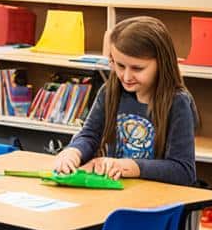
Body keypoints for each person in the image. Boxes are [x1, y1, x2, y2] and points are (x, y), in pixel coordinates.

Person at [54, 16, 198, 185]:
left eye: (137, 68)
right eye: (120, 66)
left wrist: (129, 166)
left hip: (157, 199)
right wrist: (73, 152)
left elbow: (183, 171)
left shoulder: (177, 102)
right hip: (118, 192)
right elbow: (90, 135)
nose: (126, 76)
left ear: (162, 63)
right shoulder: (110, 91)